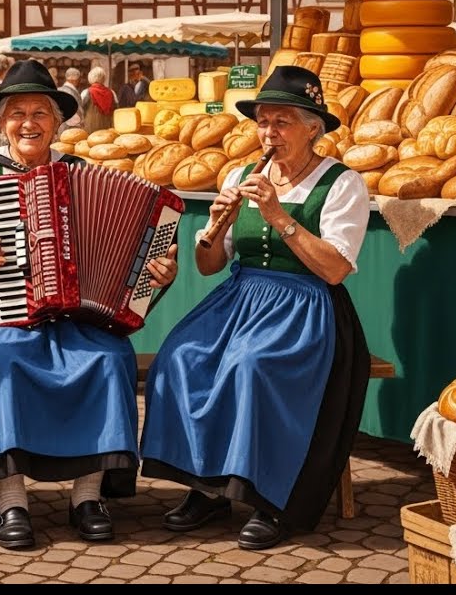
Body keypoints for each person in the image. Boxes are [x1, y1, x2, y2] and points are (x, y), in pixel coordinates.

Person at [0, 59, 179, 550]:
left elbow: (137, 253)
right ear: (2, 122)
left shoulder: (79, 170)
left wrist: (158, 270)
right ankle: (11, 501)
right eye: (17, 113)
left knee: (108, 358)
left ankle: (88, 498)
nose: (29, 123)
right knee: (1, 357)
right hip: (2, 299)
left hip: (77, 309)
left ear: (58, 122)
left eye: (40, 112)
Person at [139, 66, 371, 551]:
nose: (269, 133)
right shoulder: (242, 174)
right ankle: (207, 487)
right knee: (180, 358)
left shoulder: (342, 183)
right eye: (263, 122)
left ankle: (272, 499)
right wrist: (214, 228)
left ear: (314, 127)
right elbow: (208, 267)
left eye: (282, 122)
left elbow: (334, 269)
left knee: (252, 367)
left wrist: (278, 215)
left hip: (307, 305)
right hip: (242, 297)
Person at [78, 66, 117, 133]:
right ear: (103, 78)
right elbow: (116, 110)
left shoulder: (86, 92)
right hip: (108, 129)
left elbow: (80, 110)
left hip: (90, 129)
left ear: (90, 78)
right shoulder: (112, 92)